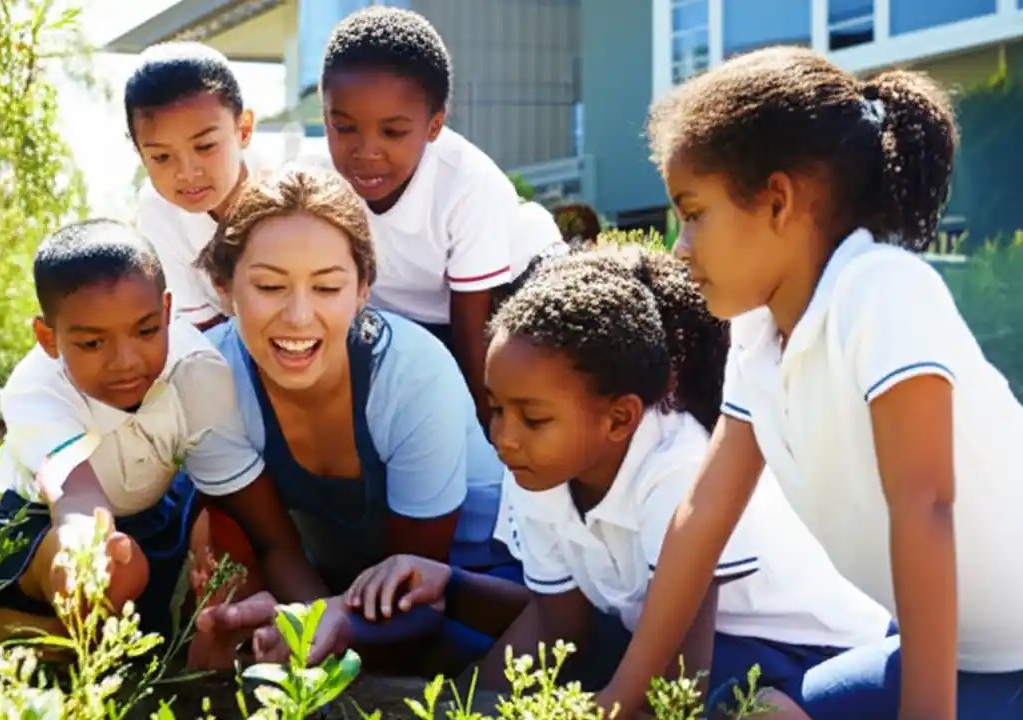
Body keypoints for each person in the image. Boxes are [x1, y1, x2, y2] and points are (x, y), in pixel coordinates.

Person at [597, 46, 1023, 719]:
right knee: (761, 711)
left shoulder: (881, 290)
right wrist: (622, 700)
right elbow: (702, 517)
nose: (679, 248)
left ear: (777, 201)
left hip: (1010, 662)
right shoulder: (760, 334)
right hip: (945, 656)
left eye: (693, 212)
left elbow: (927, 507)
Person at [345, 247, 892, 715]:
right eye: (496, 409)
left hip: (796, 650)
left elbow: (682, 687)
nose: (504, 437)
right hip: (671, 647)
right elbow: (559, 624)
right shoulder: (537, 466)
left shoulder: (676, 471)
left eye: (532, 418)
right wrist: (467, 706)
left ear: (620, 418)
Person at [186, 164, 516, 670]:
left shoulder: (411, 375)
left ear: (363, 289)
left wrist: (322, 624)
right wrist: (305, 620)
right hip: (342, 586)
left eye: (326, 288)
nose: (298, 316)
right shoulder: (209, 377)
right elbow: (274, 545)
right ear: (224, 286)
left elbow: (411, 593)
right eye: (270, 287)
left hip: (468, 583)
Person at [0, 219, 264, 646]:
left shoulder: (195, 368)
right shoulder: (38, 389)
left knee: (220, 529)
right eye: (93, 343)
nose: (125, 361)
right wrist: (88, 546)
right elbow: (77, 495)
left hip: (150, 515)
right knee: (112, 572)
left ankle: (79, 636)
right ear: (48, 338)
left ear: (167, 313)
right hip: (46, 524)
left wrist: (304, 593)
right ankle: (35, 615)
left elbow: (240, 490)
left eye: (145, 331)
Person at [318, 6, 565, 424]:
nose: (366, 151)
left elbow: (472, 331)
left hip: (500, 299)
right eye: (343, 128)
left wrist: (486, 428)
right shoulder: (318, 183)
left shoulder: (467, 183)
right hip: (406, 324)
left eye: (393, 132)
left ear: (434, 127)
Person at [128, 42, 256, 331]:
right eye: (161, 157)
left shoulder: (293, 191)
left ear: (243, 130)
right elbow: (203, 331)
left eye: (206, 146)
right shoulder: (158, 211)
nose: (187, 173)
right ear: (139, 153)